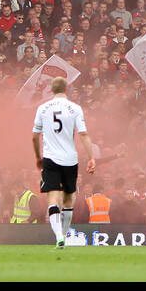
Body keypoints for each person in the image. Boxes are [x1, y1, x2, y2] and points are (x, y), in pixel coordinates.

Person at [30, 76, 96, 249]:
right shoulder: (75, 108)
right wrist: (91, 157)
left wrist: (38, 157)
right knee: (67, 200)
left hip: (50, 158)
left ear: (51, 90)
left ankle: (59, 236)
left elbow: (35, 136)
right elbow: (83, 134)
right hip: (70, 159)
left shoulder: (42, 108)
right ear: (66, 89)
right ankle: (64, 238)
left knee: (53, 198)